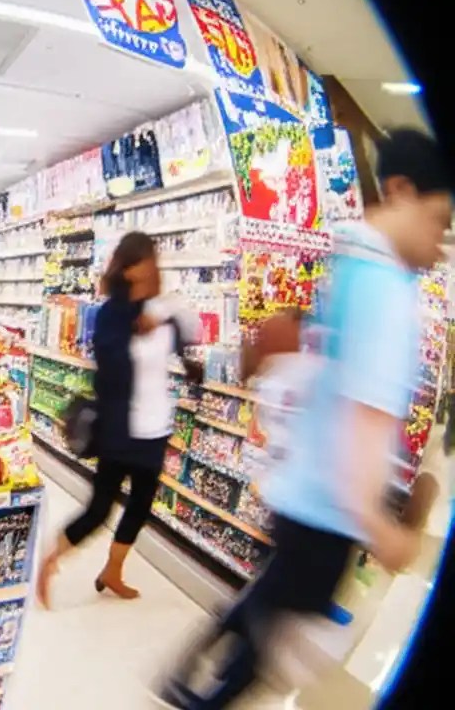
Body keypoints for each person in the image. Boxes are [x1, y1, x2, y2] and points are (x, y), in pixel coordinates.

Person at [156, 128, 447, 709]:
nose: (441, 243)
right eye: (440, 220)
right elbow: (365, 414)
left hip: (302, 495)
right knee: (265, 651)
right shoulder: (385, 291)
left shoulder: (352, 264)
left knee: (261, 623)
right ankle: (192, 692)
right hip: (329, 511)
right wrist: (381, 526)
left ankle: (186, 683)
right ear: (401, 191)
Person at [36, 231, 202, 608]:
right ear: (127, 268)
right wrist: (136, 330)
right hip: (120, 430)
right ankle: (51, 560)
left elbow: (186, 350)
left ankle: (113, 570)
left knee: (141, 506)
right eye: (144, 260)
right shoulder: (112, 313)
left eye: (153, 260)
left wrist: (188, 356)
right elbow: (108, 368)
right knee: (100, 509)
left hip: (155, 428)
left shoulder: (161, 309)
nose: (152, 267)